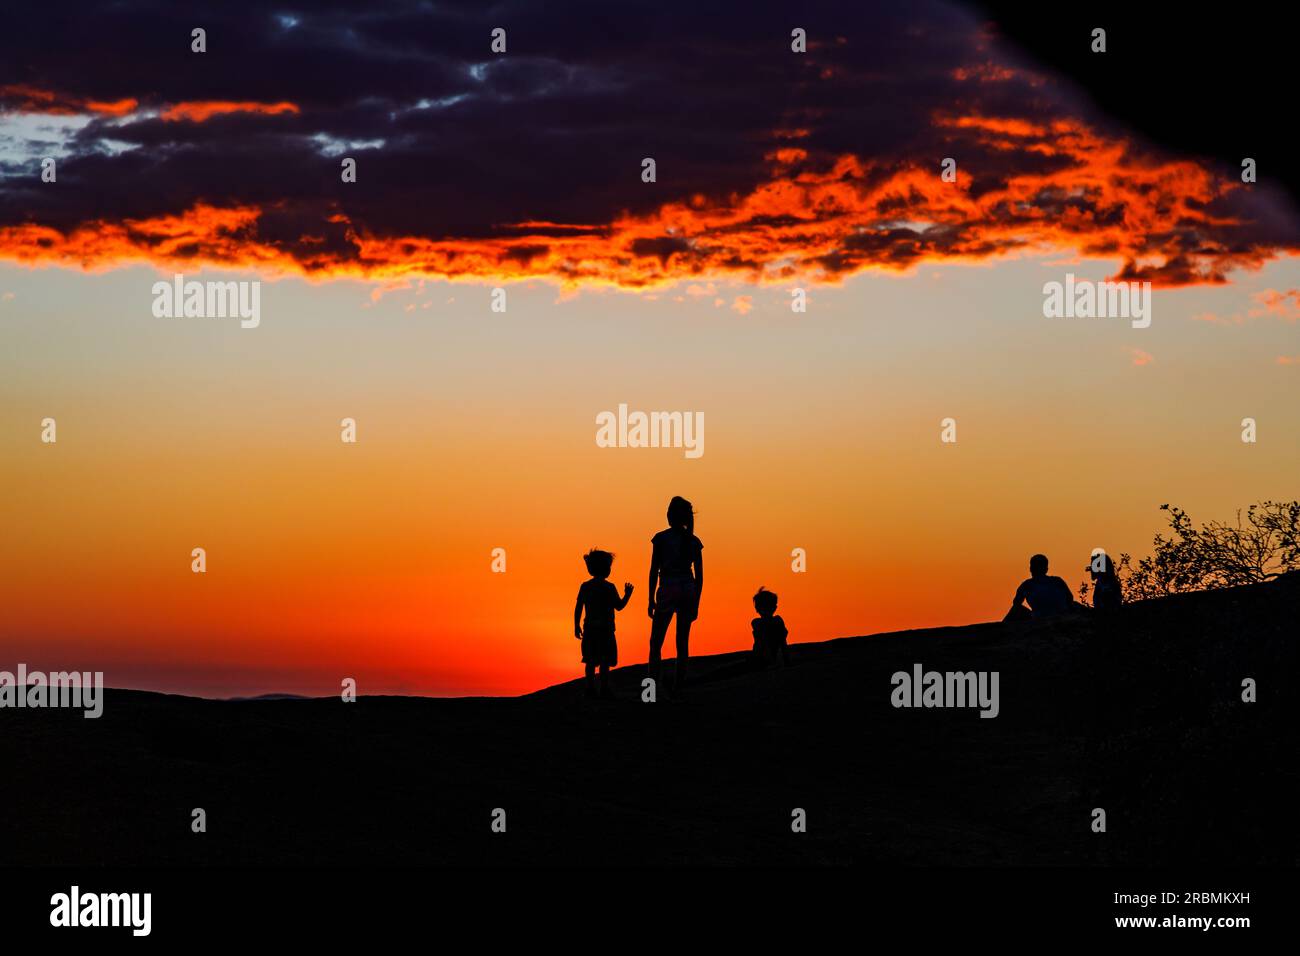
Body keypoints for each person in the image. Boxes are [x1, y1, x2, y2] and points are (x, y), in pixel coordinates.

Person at [647, 496, 703, 694]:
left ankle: (652, 689)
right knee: (682, 641)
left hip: (668, 587)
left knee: (656, 642)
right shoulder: (694, 541)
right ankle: (679, 686)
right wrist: (696, 601)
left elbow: (654, 570)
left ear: (670, 515)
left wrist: (650, 598)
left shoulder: (661, 539)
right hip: (688, 589)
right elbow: (700, 577)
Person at [574, 549, 633, 699]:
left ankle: (590, 689)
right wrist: (627, 595)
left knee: (590, 661)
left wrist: (576, 625)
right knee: (605, 661)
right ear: (605, 568)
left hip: (590, 630)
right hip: (606, 631)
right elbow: (619, 606)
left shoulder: (585, 586)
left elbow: (579, 607)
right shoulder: (609, 587)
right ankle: (604, 689)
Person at [1004, 553, 1074, 621]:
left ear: (1031, 568)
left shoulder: (1027, 585)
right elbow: (1070, 598)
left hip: (1040, 618)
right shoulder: (1058, 581)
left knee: (1016, 609)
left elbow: (1016, 603)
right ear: (1046, 569)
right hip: (1061, 616)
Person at [750, 587, 789, 668]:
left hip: (768, 657)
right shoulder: (757, 623)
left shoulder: (776, 621)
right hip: (761, 657)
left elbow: (782, 641)